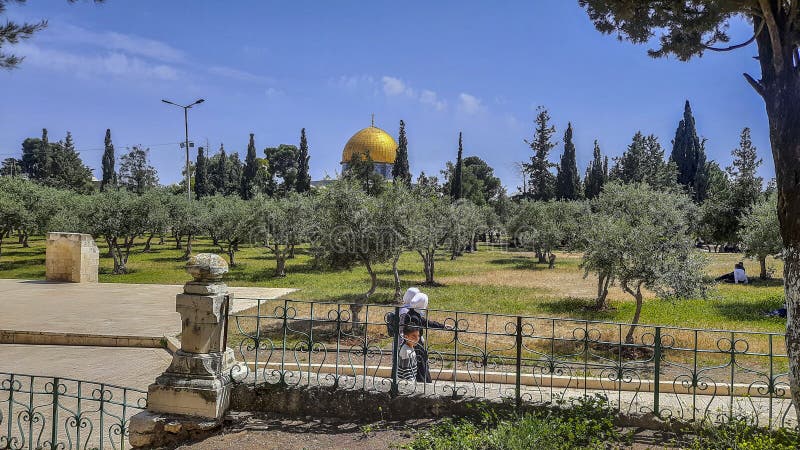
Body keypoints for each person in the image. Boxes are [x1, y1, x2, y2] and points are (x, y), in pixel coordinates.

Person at [400, 292, 447, 383]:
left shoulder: (414, 313)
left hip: (417, 344)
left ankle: (424, 382)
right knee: (420, 366)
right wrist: (418, 339)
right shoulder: (413, 317)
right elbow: (413, 332)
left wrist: (443, 326)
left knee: (422, 365)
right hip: (416, 345)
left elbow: (427, 323)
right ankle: (423, 384)